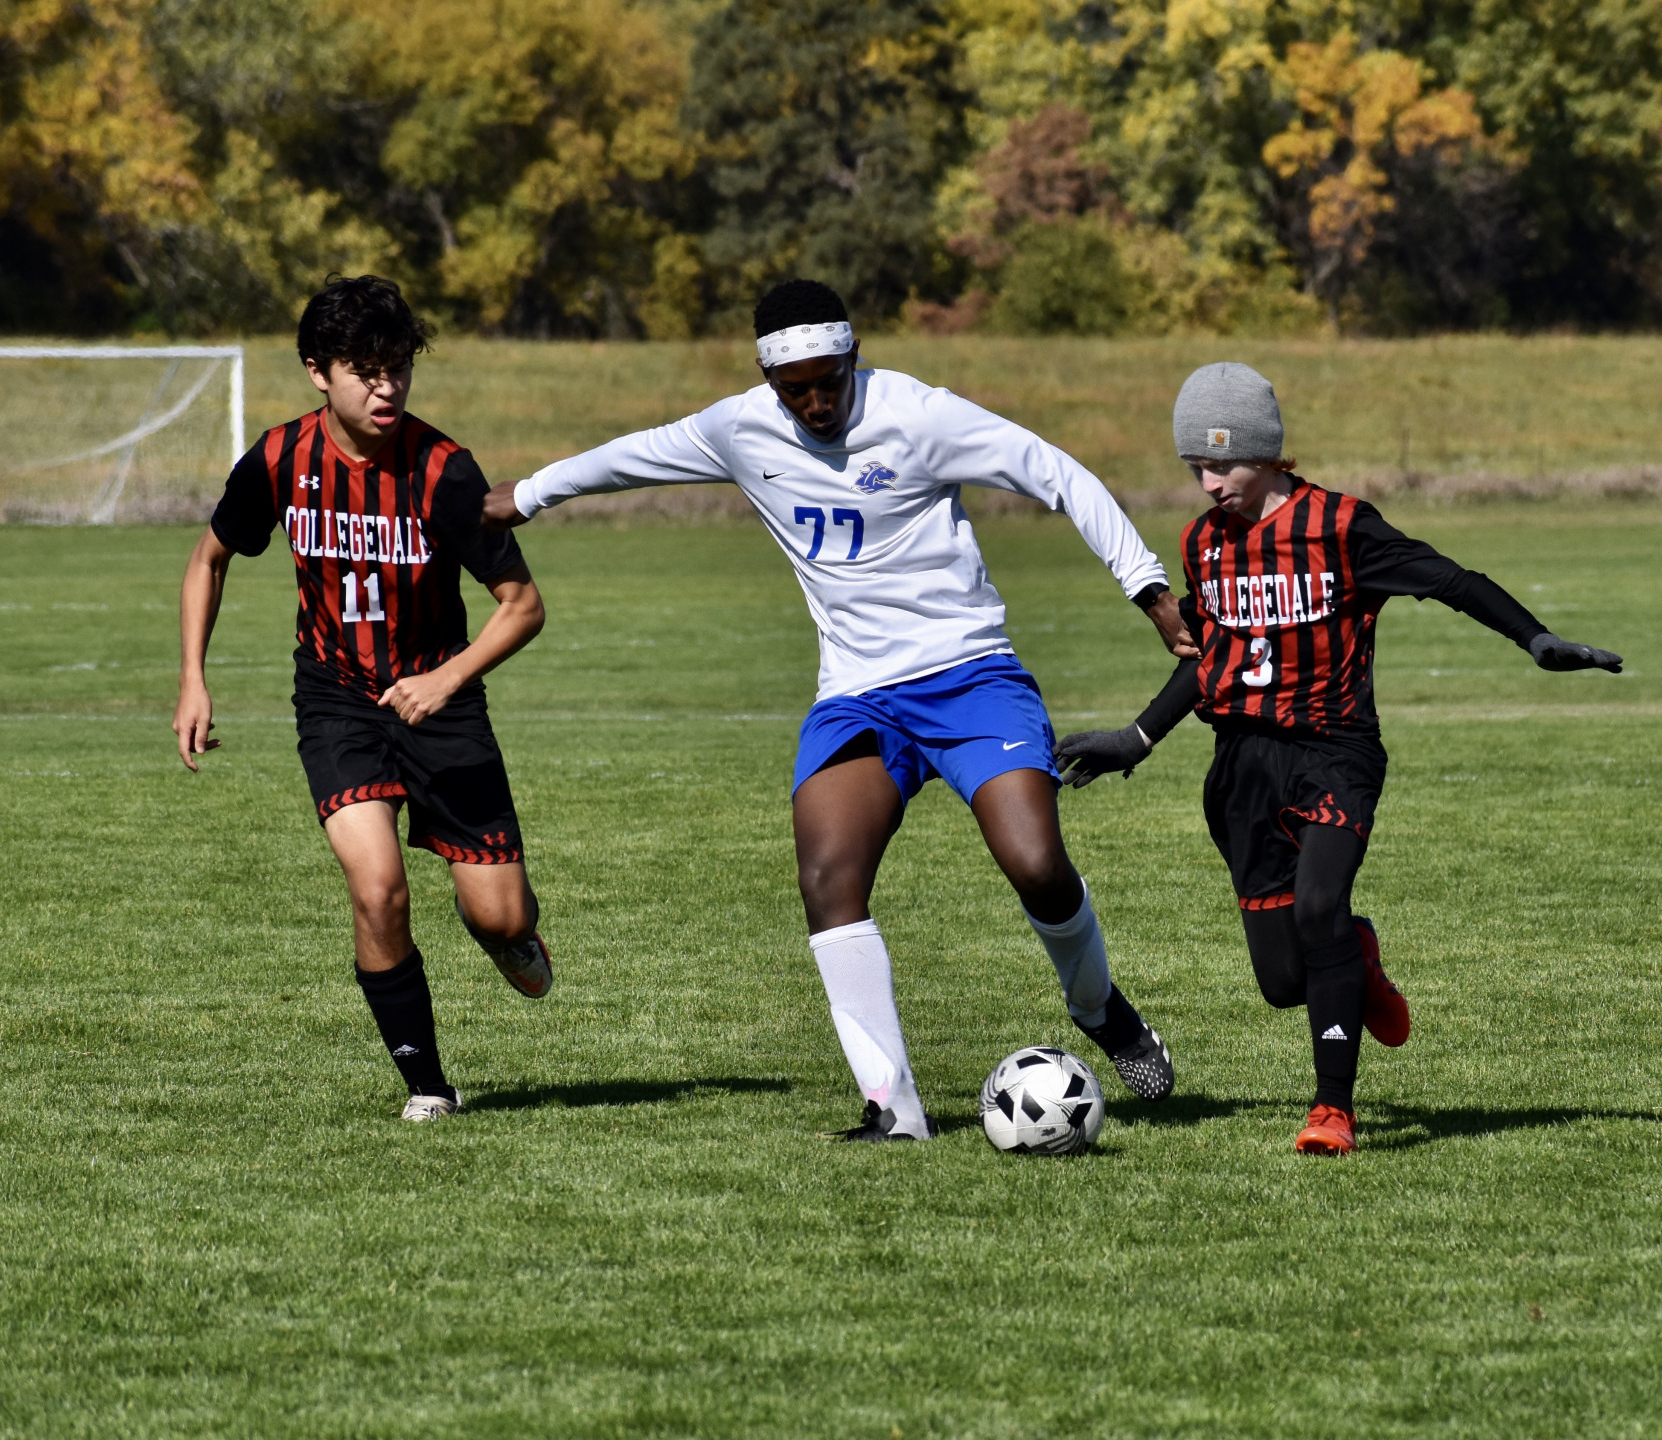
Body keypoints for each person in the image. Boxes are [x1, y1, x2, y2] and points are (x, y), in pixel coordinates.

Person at [483, 279, 1194, 1142]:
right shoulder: (740, 427)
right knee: (828, 878)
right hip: (857, 695)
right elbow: (633, 456)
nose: (818, 402)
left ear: (856, 359)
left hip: (971, 675)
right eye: (798, 389)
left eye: (832, 380)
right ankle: (892, 1109)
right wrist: (525, 496)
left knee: (1037, 862)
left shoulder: (918, 414)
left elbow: (1057, 473)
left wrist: (1148, 587)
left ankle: (1102, 1012)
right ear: (768, 379)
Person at [1055, 363, 1623, 1156]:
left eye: (1222, 465)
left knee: (1320, 904)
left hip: (1334, 752)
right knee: (1285, 982)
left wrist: (1534, 637)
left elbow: (1450, 579)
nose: (1209, 483)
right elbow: (1212, 656)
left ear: (1267, 453)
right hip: (1243, 769)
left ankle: (1332, 1111)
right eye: (1195, 470)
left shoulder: (1342, 527)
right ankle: (1359, 953)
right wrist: (1137, 736)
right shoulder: (1203, 544)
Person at [174, 275, 555, 1122]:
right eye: (365, 371)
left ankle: (513, 934)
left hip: (440, 696)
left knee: (499, 916)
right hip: (338, 697)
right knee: (376, 886)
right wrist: (193, 679)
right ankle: (427, 1085)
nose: (386, 388)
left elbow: (523, 607)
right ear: (319, 371)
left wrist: (445, 679)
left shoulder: (445, 471)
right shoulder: (280, 459)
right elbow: (209, 558)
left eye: (398, 369)